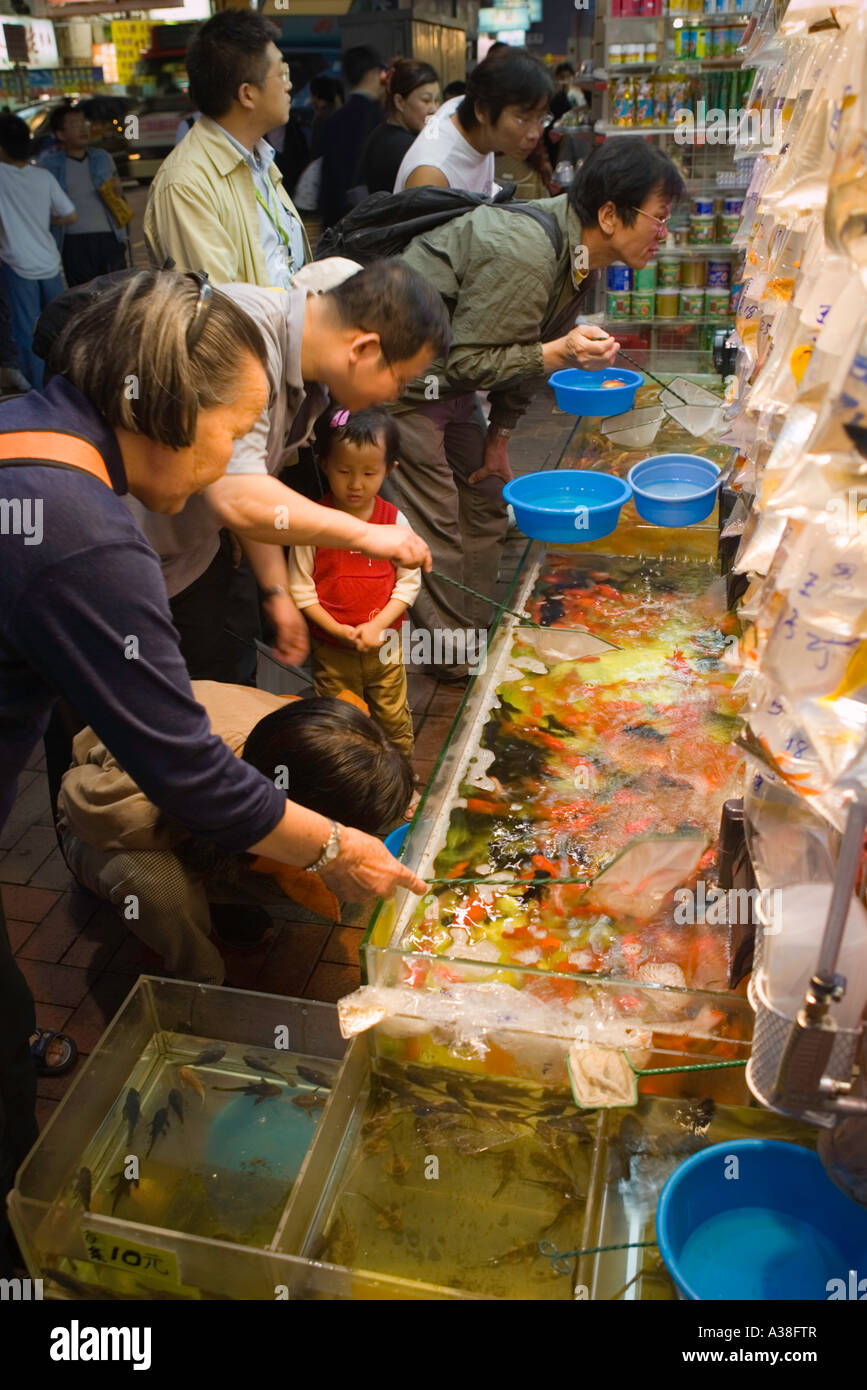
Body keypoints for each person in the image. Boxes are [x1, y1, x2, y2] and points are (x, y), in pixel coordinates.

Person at [0, 269, 426, 1276]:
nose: (235, 462)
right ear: (164, 409)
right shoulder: (85, 535)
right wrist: (339, 848)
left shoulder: (36, 432)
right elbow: (190, 775)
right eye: (232, 432)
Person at [390, 137, 684, 676]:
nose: (664, 234)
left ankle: (478, 637)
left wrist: (499, 436)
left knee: (482, 501)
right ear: (611, 214)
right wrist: (557, 351)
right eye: (659, 218)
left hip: (449, 386)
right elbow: (472, 361)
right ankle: (456, 663)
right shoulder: (525, 246)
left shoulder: (577, 256)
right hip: (403, 388)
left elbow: (519, 347)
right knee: (437, 523)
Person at [115, 260, 450, 684]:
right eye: (401, 380)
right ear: (363, 350)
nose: (395, 396)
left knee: (210, 687)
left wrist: (276, 589)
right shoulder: (239, 339)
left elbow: (255, 484)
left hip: (185, 563)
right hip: (117, 567)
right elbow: (236, 493)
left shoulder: (311, 377)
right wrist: (367, 534)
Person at [58, 687, 413, 985]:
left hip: (219, 797)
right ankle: (201, 980)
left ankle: (222, 893)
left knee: (318, 861)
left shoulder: (309, 736)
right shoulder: (144, 809)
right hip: (96, 817)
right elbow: (76, 801)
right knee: (157, 888)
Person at [144, 9, 309, 287]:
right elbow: (218, 309)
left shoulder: (260, 157)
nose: (289, 84)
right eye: (282, 73)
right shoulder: (185, 184)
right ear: (247, 94)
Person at [289, 409, 418, 760]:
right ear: (324, 464)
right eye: (344, 471)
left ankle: (403, 775)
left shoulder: (394, 521)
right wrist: (338, 630)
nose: (356, 484)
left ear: (389, 469)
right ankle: (350, 782)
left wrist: (377, 625)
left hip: (386, 645)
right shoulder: (312, 524)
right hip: (332, 649)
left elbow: (408, 583)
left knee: (392, 716)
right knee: (340, 720)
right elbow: (301, 589)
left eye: (369, 473)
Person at [394, 47, 552, 195]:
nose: (535, 134)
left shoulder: (464, 110)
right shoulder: (433, 174)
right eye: (522, 119)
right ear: (482, 111)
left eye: (541, 118)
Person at [0, 112, 76, 389]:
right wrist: (43, 218)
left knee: (26, 334)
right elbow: (70, 214)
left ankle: (38, 393)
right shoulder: (42, 176)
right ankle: (67, 386)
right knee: (61, 329)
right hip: (49, 264)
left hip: (18, 266)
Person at [38, 102, 127, 288]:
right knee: (83, 298)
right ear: (60, 134)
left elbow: (118, 194)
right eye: (74, 124)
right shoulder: (48, 166)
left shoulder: (102, 158)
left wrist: (118, 190)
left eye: (83, 123)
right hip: (73, 241)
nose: (83, 128)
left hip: (109, 236)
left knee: (116, 294)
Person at [318, 45, 384, 227]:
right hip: (369, 217)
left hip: (337, 218)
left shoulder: (334, 118)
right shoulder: (379, 116)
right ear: (373, 73)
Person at [359, 59, 440, 196]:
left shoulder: (381, 133)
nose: (433, 109)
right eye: (426, 100)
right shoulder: (404, 147)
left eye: (437, 100)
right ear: (400, 102)